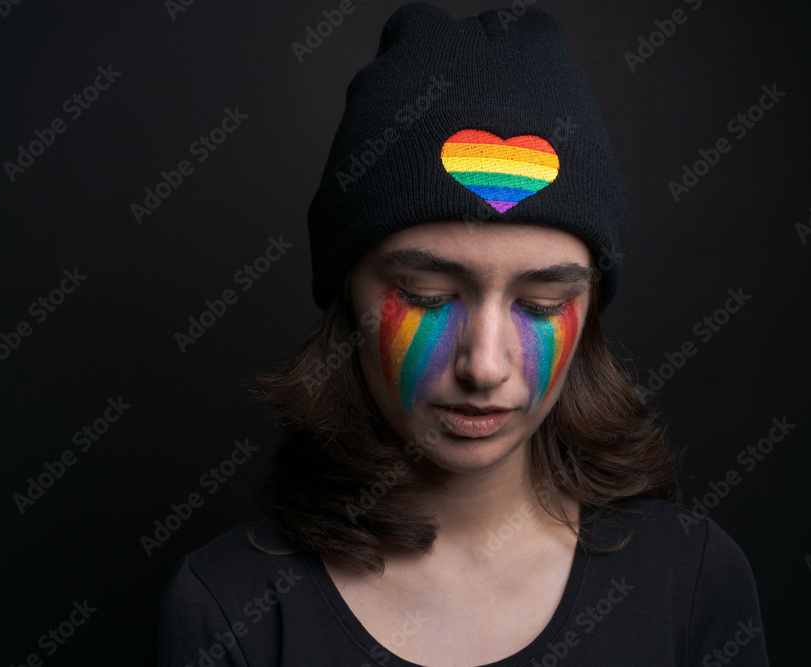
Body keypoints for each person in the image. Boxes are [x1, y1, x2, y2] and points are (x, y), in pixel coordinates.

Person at [155, 3, 769, 665]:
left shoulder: (691, 580)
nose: (484, 365)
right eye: (426, 296)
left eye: (540, 303)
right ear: (345, 294)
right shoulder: (230, 606)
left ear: (589, 309)